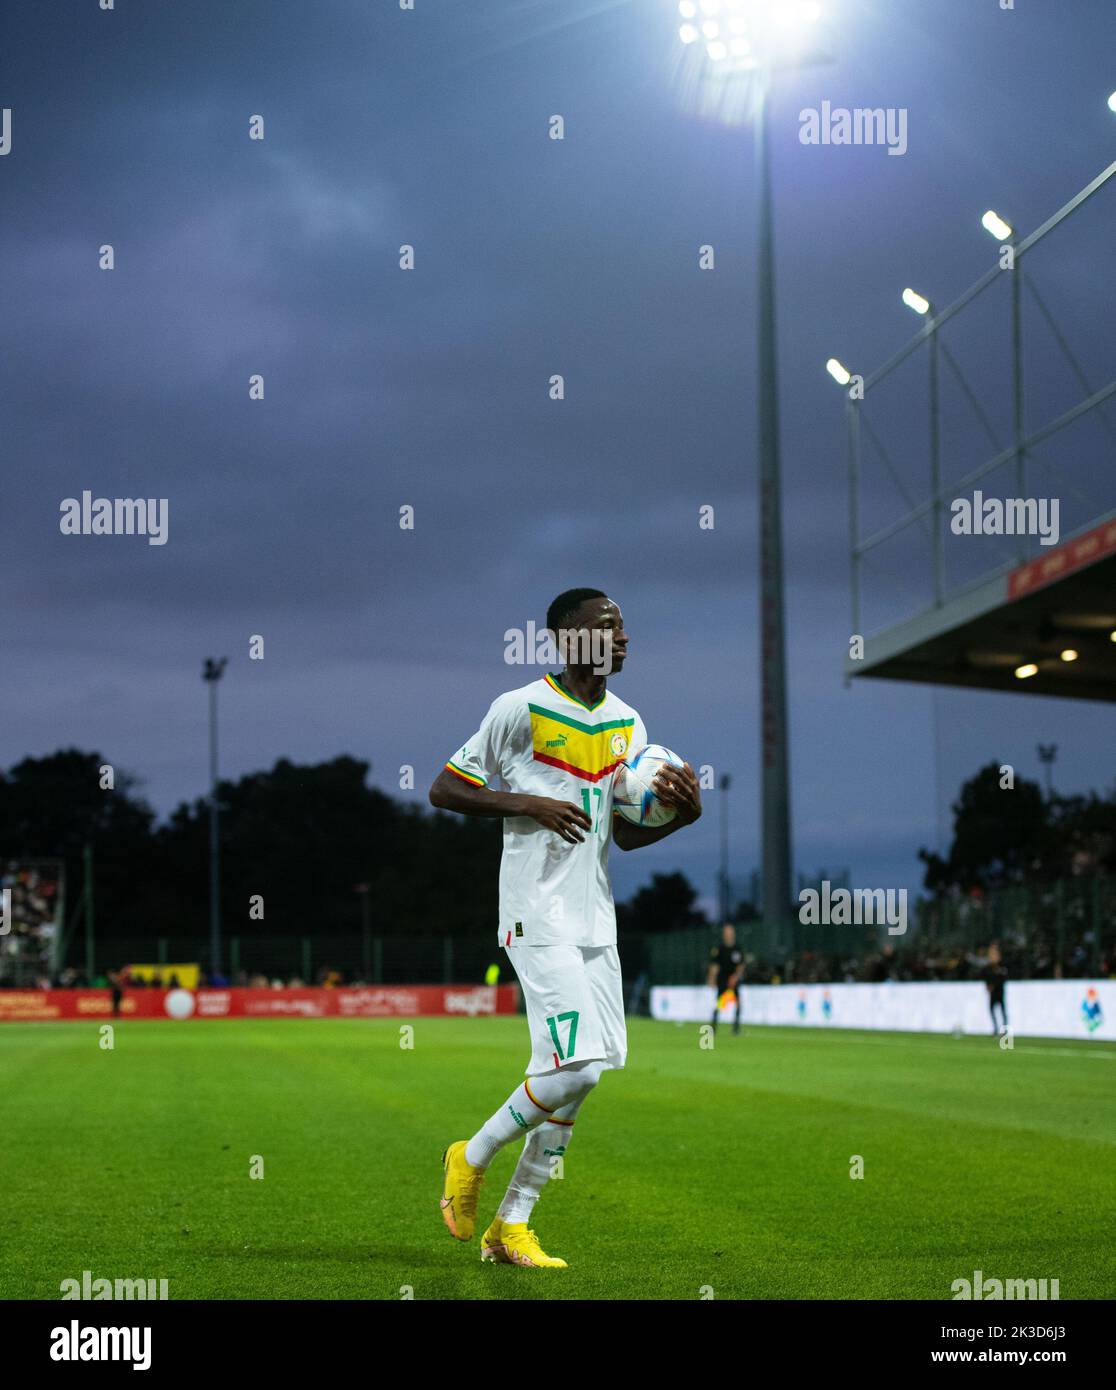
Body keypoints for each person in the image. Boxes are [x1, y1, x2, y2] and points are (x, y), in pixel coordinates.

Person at [430, 588, 702, 1269]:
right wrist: (528, 803)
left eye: (623, 627)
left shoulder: (629, 724)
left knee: (583, 1075)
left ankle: (511, 1226)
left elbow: (626, 835)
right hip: (534, 909)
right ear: (567, 638)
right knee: (574, 1064)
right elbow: (445, 788)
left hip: (594, 916)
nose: (623, 638)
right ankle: (471, 1155)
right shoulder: (518, 707)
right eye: (607, 627)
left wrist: (683, 816)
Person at [707, 923, 743, 1035]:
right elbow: (714, 965)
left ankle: (736, 1028)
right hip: (722, 979)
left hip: (733, 980)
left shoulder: (737, 948)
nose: (729, 934)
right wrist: (712, 978)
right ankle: (713, 1027)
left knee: (738, 1003)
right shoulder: (720, 949)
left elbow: (741, 965)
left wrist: (736, 976)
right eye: (727, 932)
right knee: (720, 1003)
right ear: (724, 934)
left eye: (730, 932)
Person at [984, 941, 1008, 1035]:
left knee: (1002, 1010)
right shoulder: (988, 967)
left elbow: (1004, 976)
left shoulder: (1002, 965)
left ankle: (1004, 1029)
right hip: (992, 991)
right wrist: (988, 986)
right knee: (991, 1009)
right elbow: (986, 976)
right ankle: (995, 1028)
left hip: (1000, 990)